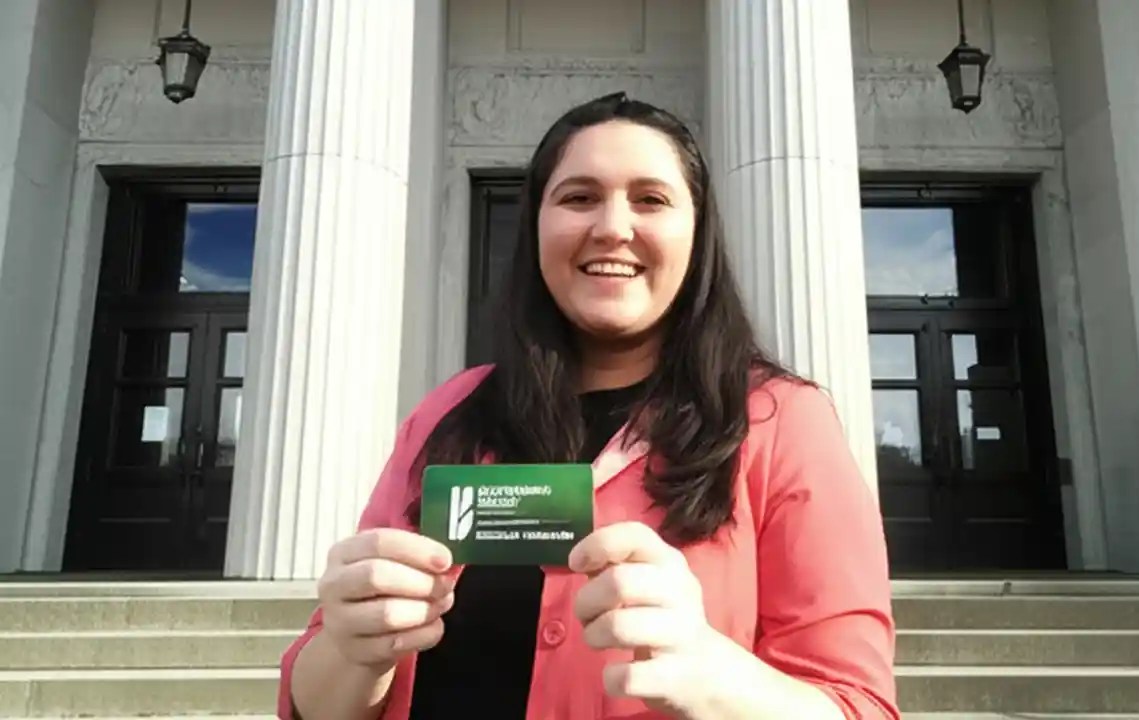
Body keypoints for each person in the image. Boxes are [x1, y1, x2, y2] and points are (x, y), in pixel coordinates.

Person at [279, 92, 899, 720]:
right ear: (536, 225)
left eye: (650, 199)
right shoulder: (450, 411)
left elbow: (859, 706)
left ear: (698, 230)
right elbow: (311, 701)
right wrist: (351, 647)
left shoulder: (781, 422)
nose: (611, 226)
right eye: (578, 197)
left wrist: (715, 675)